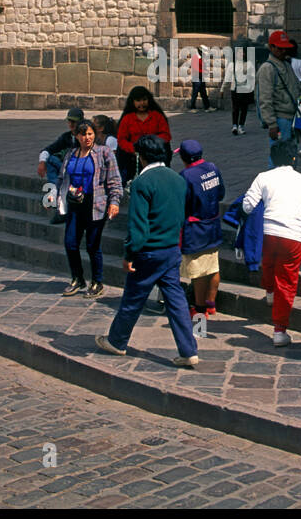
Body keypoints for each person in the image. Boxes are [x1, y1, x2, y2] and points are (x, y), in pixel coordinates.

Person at [96, 134, 199, 368]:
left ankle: (117, 340)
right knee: (176, 302)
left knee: (133, 299)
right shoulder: (178, 179)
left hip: (149, 251)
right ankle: (188, 349)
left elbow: (138, 225)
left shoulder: (143, 183)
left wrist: (130, 253)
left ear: (141, 157)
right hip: (171, 249)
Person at [242, 138, 301, 347]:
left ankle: (269, 292)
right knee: (287, 281)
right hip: (293, 235)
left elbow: (247, 206)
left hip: (267, 232)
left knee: (269, 264)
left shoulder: (263, 177)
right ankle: (279, 330)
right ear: (293, 158)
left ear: (273, 158)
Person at [57, 120, 122, 298]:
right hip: (74, 204)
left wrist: (114, 201)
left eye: (90, 134)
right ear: (77, 136)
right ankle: (77, 278)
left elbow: (115, 180)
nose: (87, 138)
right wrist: (57, 196)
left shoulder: (104, 152)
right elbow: (62, 178)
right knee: (70, 243)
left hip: (95, 205)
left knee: (93, 246)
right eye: (83, 134)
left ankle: (97, 282)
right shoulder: (71, 154)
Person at [177, 139, 225, 320]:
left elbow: (184, 202)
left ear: (183, 157)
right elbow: (221, 193)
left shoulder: (186, 176)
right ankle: (211, 303)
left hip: (196, 229)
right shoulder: (212, 168)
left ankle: (199, 309)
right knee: (213, 266)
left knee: (198, 272)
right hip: (213, 225)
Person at [256, 30, 300, 167]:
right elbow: (265, 98)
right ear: (271, 47)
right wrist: (272, 124)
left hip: (291, 118)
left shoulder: (286, 65)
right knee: (279, 159)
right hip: (280, 119)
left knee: (290, 157)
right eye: (279, 48)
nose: (283, 51)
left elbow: (296, 88)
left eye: (285, 48)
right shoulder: (267, 68)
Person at [115, 86, 171, 185]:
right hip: (133, 159)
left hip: (155, 156)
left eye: (144, 100)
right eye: (138, 100)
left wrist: (152, 145)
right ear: (133, 102)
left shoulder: (157, 116)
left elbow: (166, 135)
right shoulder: (127, 119)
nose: (142, 103)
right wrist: (134, 149)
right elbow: (122, 139)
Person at [38, 106, 85, 185]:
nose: (71, 124)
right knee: (50, 159)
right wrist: (42, 162)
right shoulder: (66, 137)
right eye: (69, 121)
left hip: (80, 167)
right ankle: (56, 187)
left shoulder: (85, 137)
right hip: (68, 166)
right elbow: (49, 149)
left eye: (74, 122)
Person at [230, 38, 255, 136]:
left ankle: (241, 125)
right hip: (235, 89)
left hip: (245, 89)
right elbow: (228, 77)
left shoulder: (249, 65)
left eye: (242, 53)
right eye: (238, 53)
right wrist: (222, 89)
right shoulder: (232, 65)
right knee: (235, 108)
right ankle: (234, 125)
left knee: (244, 109)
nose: (240, 54)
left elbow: (253, 78)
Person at [188, 47, 211, 112]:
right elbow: (195, 69)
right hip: (196, 78)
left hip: (201, 77)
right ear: (200, 51)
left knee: (204, 93)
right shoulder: (195, 58)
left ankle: (207, 107)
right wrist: (204, 71)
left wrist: (206, 71)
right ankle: (192, 108)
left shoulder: (201, 58)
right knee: (195, 93)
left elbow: (202, 67)